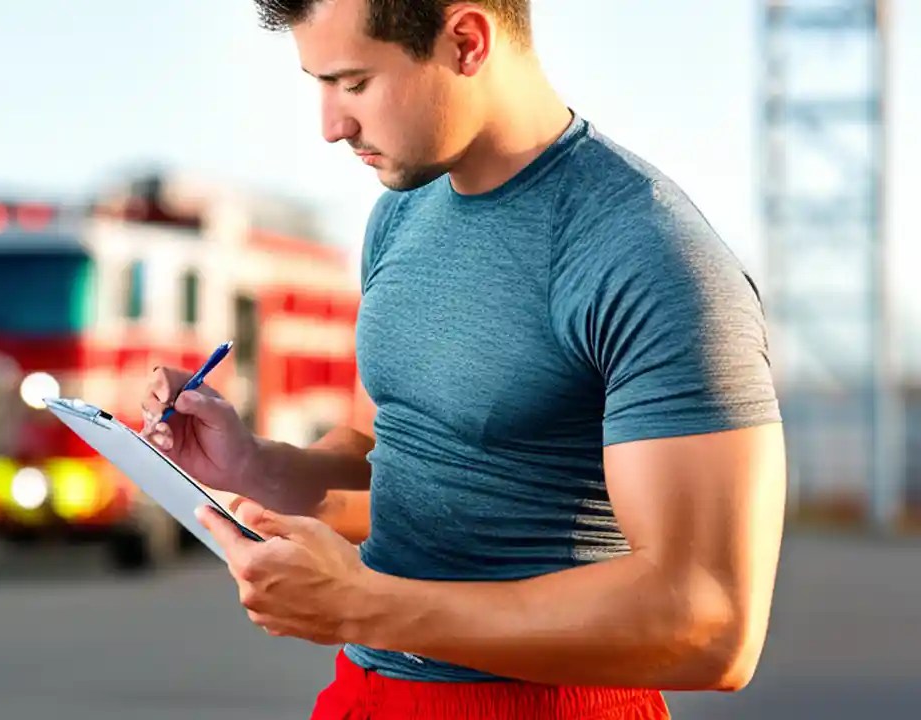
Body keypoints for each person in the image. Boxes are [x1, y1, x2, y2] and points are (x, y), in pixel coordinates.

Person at [139, 0, 787, 717]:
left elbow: (711, 624)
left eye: (353, 83)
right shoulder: (402, 212)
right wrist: (256, 465)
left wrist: (365, 606)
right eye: (318, 83)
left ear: (467, 41)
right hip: (366, 692)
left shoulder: (650, 257)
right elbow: (427, 460)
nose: (330, 126)